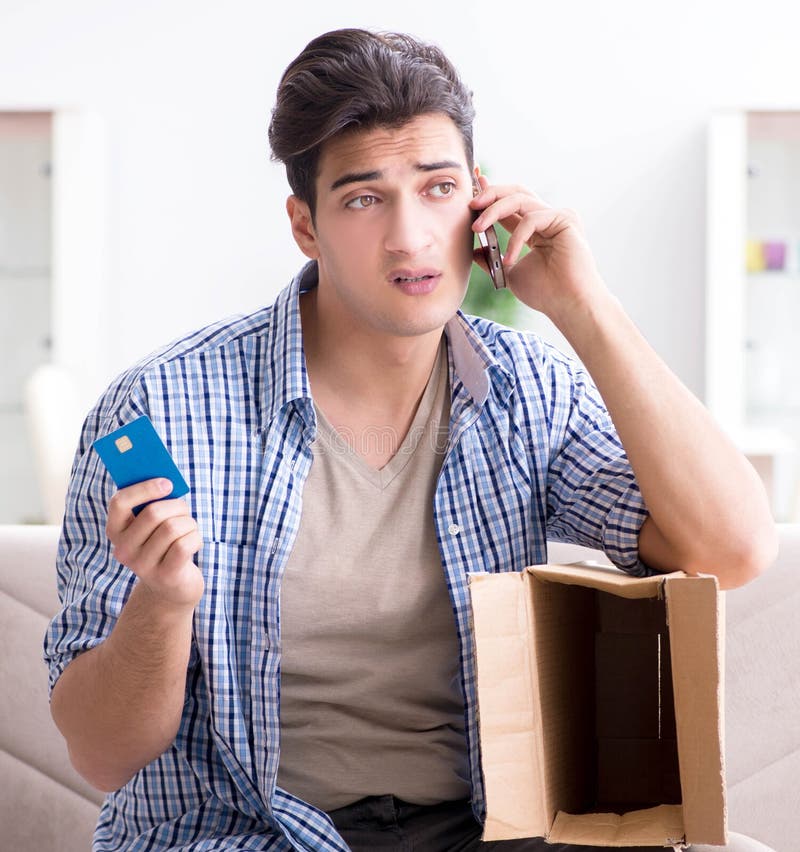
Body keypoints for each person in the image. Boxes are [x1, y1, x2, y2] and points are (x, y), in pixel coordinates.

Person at [44, 27, 777, 852]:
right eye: (364, 198)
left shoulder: (528, 387)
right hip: (242, 833)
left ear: (480, 200)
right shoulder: (158, 410)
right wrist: (165, 603)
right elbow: (103, 755)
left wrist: (583, 306)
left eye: (437, 189)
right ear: (305, 226)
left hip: (488, 833)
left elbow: (735, 548)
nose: (410, 236)